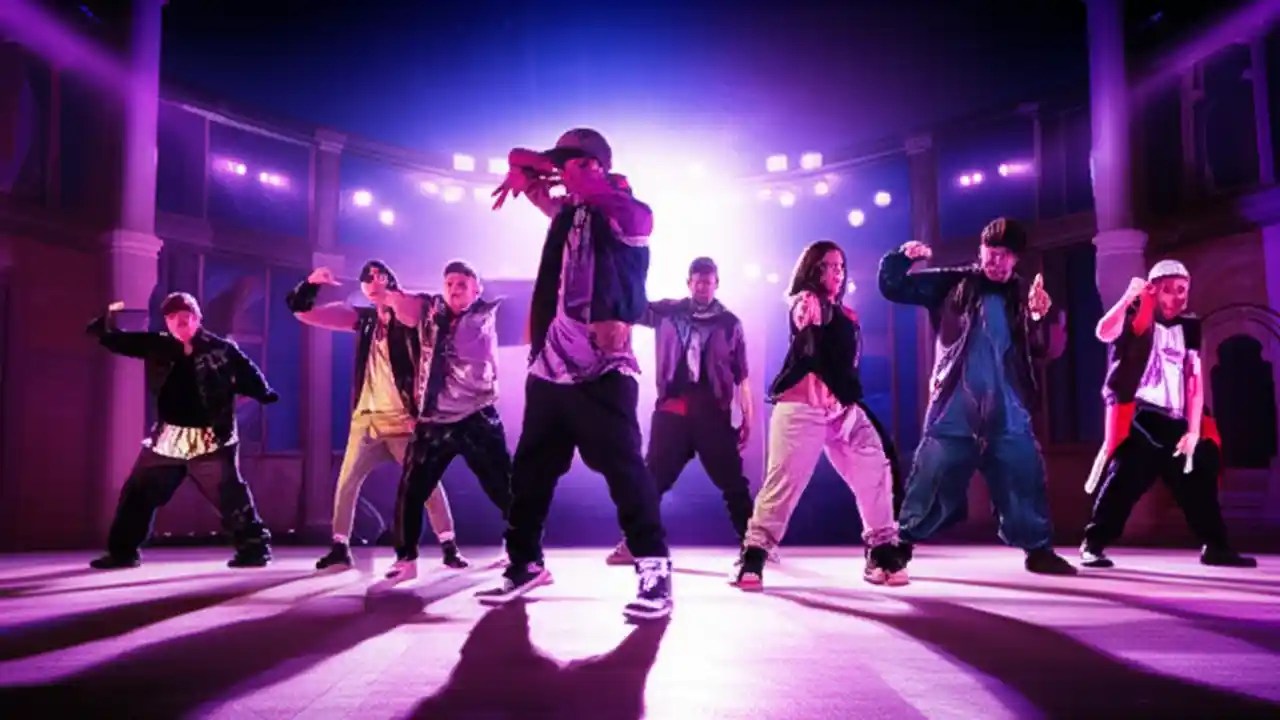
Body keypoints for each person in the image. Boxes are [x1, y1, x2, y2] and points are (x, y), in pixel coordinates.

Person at [478, 127, 673, 620]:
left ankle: (653, 570)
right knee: (529, 474)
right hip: (551, 365)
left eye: (574, 165)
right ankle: (524, 563)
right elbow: (519, 157)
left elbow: (635, 219)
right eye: (562, 166)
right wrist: (535, 173)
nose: (562, 176)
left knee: (625, 472)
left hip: (604, 368)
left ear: (597, 167)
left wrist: (576, 177)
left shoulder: (626, 212)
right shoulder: (571, 213)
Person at [878, 217, 1076, 575]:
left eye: (1004, 255)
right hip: (955, 405)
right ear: (980, 251)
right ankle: (902, 544)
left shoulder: (1024, 295)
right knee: (932, 476)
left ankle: (1037, 549)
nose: (996, 261)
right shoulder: (953, 284)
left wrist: (1038, 317)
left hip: (1008, 409)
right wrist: (900, 258)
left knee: (1022, 476)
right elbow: (894, 288)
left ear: (1017, 259)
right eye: (991, 253)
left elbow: (1045, 351)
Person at [733, 241, 906, 589]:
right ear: (812, 270)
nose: (837, 273)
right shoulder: (807, 303)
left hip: (842, 410)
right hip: (802, 409)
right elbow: (805, 319)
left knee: (874, 464)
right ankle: (753, 556)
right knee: (785, 481)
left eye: (840, 266)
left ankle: (881, 548)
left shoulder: (846, 315)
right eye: (828, 265)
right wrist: (807, 310)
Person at [285, 259, 467, 571]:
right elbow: (304, 313)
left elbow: (413, 315)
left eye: (378, 291)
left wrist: (388, 292)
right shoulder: (366, 321)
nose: (375, 300)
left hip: (403, 420)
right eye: (369, 293)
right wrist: (311, 284)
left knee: (426, 483)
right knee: (346, 483)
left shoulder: (415, 317)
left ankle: (449, 545)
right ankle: (340, 546)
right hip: (367, 420)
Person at [1079, 259, 1256, 569]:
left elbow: (1193, 379)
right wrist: (1127, 298)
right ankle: (1093, 543)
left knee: (1196, 474)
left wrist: (1193, 431)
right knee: (1129, 472)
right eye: (1169, 290)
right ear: (1153, 290)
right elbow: (1104, 332)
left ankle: (1216, 546)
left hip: (1173, 417)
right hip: (1139, 412)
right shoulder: (1138, 316)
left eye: (1182, 290)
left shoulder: (1189, 326)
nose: (1177, 297)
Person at [87, 292, 276, 569]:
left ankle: (254, 550)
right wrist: (102, 329)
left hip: (212, 440)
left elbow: (247, 371)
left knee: (231, 496)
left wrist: (262, 392)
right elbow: (122, 341)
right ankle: (123, 552)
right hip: (167, 440)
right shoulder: (157, 345)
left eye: (186, 317)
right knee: (138, 493)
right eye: (174, 318)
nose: (180, 323)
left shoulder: (221, 349)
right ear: (167, 322)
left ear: (197, 319)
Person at [603, 256, 754, 565]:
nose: (702, 287)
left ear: (716, 284)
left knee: (733, 482)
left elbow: (742, 377)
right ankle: (636, 543)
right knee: (651, 480)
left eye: (708, 282)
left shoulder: (730, 323)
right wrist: (619, 270)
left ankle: (754, 546)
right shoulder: (669, 312)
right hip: (673, 409)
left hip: (713, 412)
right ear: (689, 283)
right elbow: (634, 308)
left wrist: (748, 417)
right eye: (697, 281)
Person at [380, 260, 514, 583]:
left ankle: (524, 553)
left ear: (476, 289)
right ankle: (405, 559)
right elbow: (399, 301)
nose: (455, 290)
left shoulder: (490, 313)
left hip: (476, 415)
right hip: (435, 420)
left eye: (462, 285)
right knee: (411, 489)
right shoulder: (430, 311)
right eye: (450, 284)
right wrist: (383, 290)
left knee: (505, 489)